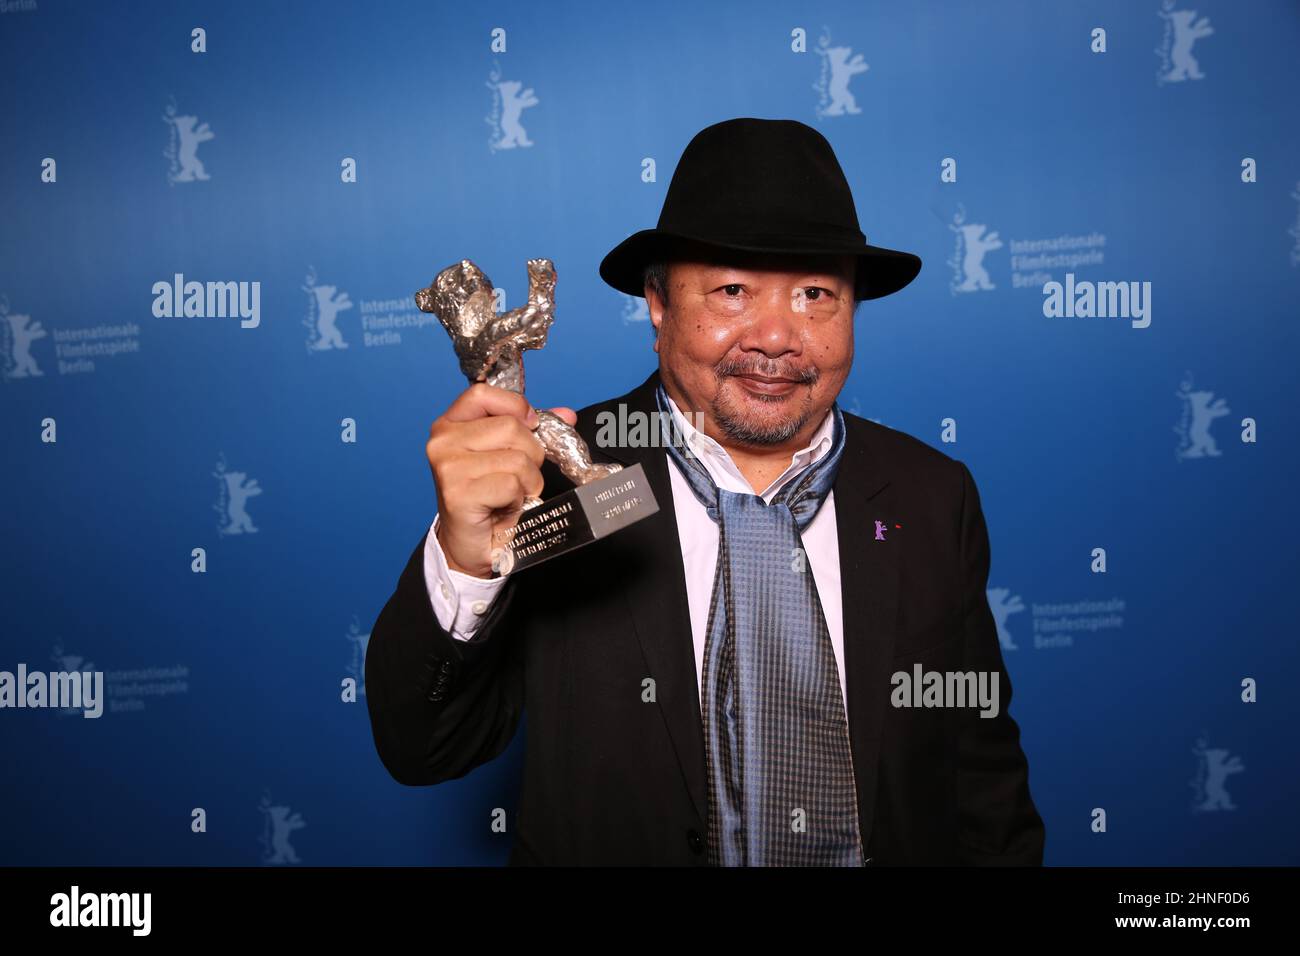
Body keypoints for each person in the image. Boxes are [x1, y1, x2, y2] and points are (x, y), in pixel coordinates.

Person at [365, 117, 1045, 866]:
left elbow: (982, 781)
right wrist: (466, 561)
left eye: (815, 292)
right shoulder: (555, 475)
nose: (777, 337)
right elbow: (421, 748)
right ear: (657, 302)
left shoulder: (929, 496)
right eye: (732, 290)